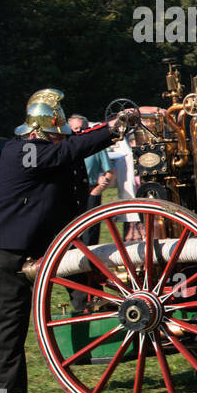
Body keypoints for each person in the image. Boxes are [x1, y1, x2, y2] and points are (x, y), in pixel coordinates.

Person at [0, 90, 131, 393]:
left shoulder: (50, 149)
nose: (60, 140)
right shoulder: (21, 150)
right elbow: (65, 153)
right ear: (38, 133)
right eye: (55, 135)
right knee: (9, 322)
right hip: (5, 247)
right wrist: (111, 129)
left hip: (46, 243)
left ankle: (99, 328)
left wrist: (110, 127)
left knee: (83, 286)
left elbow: (73, 148)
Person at [67, 114, 115, 315]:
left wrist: (98, 189)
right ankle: (85, 296)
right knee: (73, 242)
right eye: (74, 130)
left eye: (81, 129)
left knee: (90, 240)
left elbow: (109, 172)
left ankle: (92, 291)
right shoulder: (66, 148)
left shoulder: (95, 149)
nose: (78, 132)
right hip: (70, 197)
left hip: (90, 193)